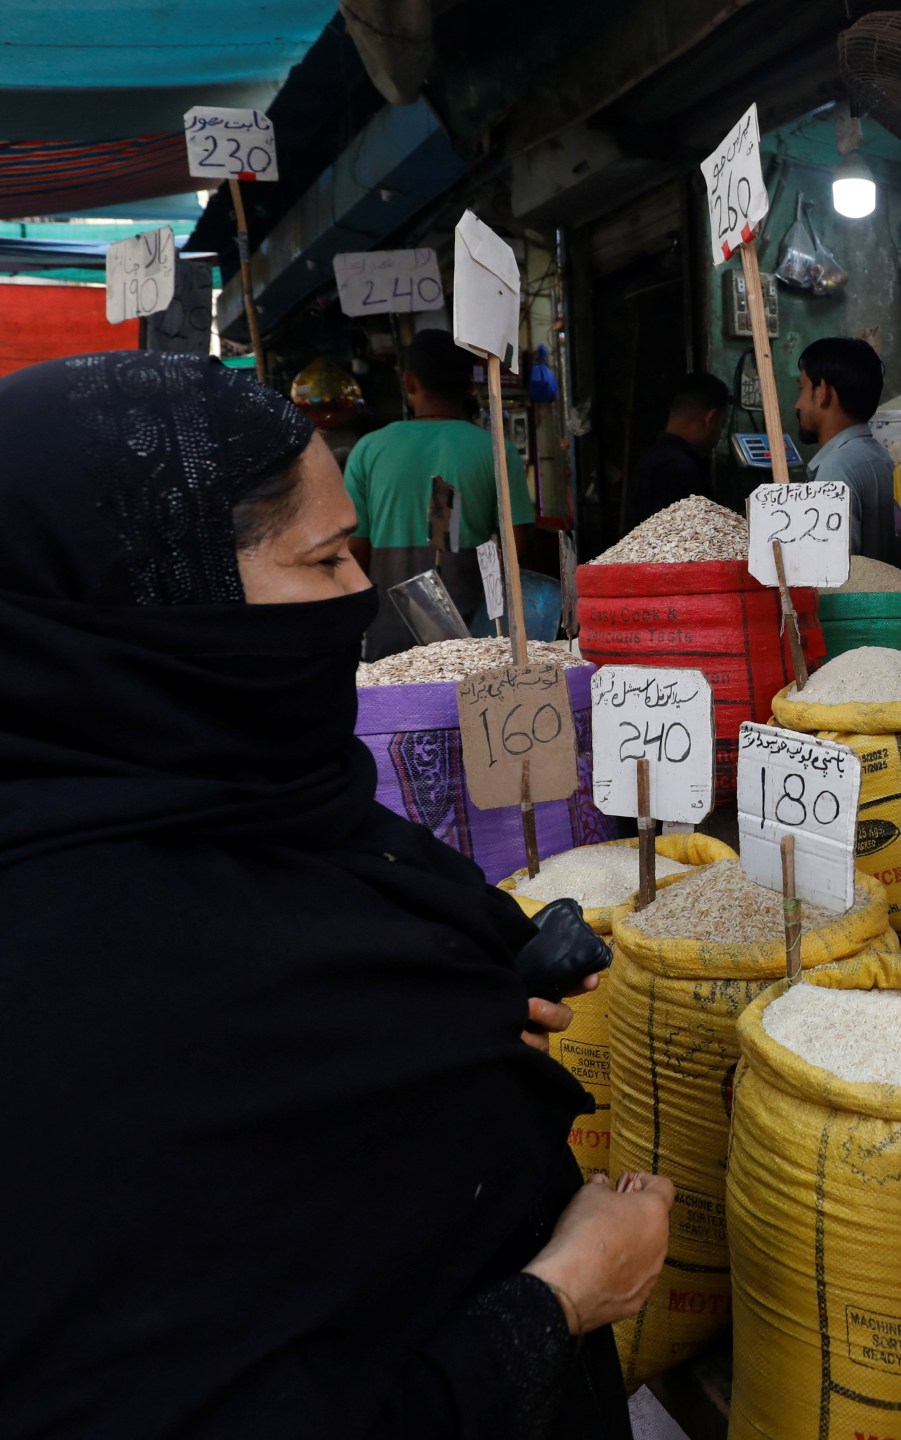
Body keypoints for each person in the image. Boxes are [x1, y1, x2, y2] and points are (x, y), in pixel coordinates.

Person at [0, 352, 672, 1437]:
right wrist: (559, 1299)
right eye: (324, 563)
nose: (362, 598)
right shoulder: (66, 999)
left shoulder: (253, 801)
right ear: (152, 615)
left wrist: (452, 1017)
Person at [343, 327, 537, 660]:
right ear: (470, 385)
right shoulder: (495, 450)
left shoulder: (368, 450)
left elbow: (352, 550)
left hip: (387, 631)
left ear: (409, 383)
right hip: (473, 631)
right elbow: (515, 551)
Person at [795, 336, 901, 571]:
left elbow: (829, 576)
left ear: (824, 392)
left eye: (803, 388)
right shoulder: (882, 458)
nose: (797, 404)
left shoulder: (836, 469)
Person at [621, 371, 729, 532]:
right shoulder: (681, 471)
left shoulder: (651, 459)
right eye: (722, 424)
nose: (720, 434)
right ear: (710, 418)